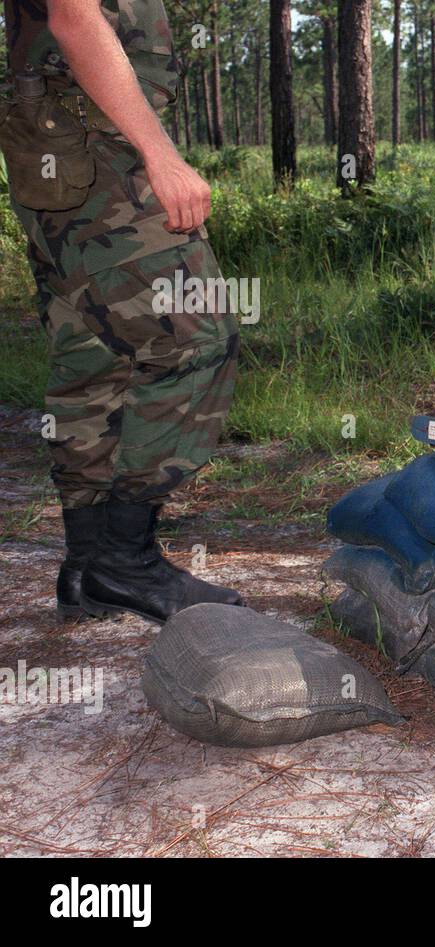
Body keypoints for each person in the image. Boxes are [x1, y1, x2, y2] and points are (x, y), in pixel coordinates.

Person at [1, 0, 242, 623]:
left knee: (93, 353)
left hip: (60, 155)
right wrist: (160, 153)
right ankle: (123, 560)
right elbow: (74, 16)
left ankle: (87, 566)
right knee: (199, 335)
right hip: (103, 157)